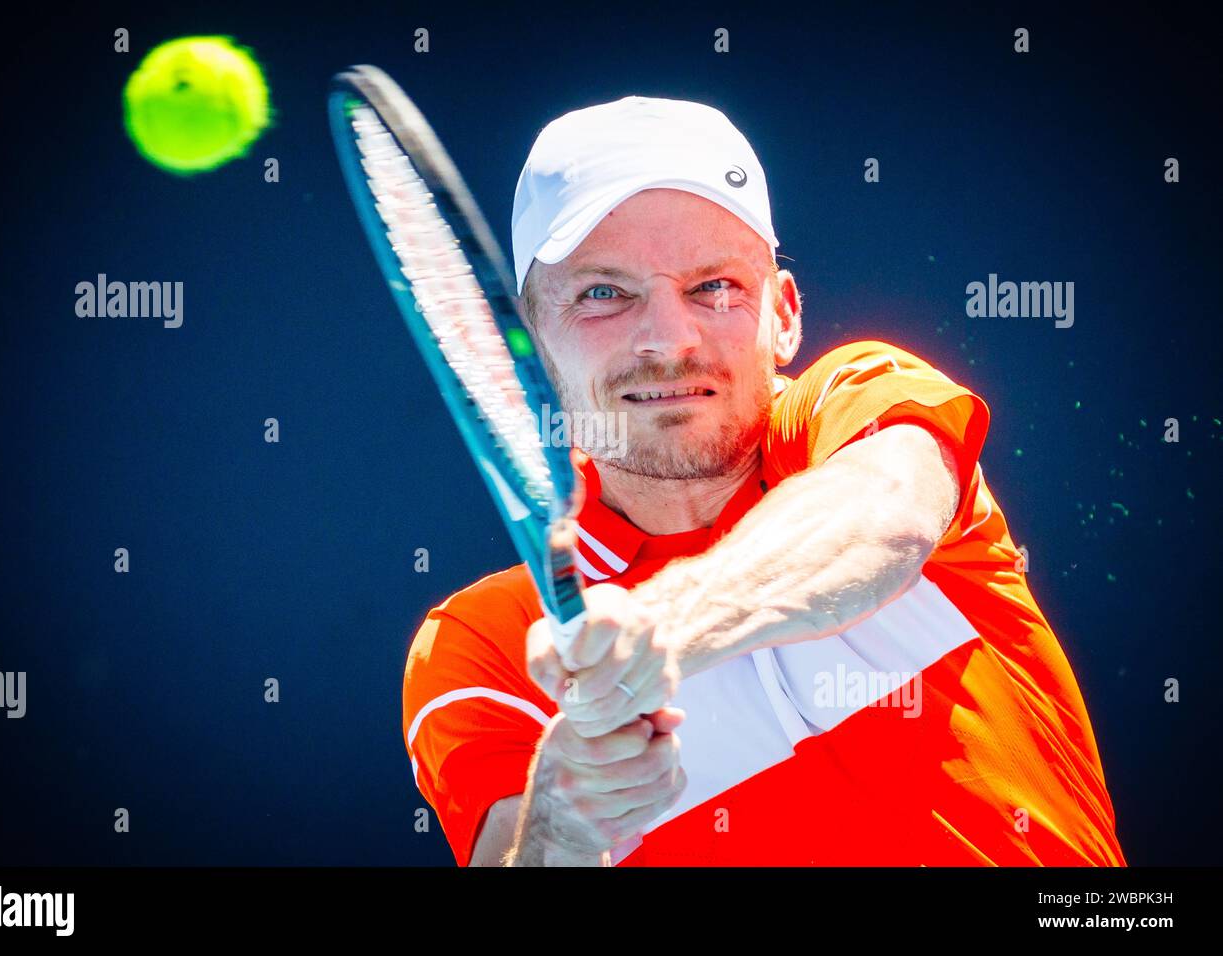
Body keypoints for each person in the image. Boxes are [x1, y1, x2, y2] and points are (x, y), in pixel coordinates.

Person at [402, 95, 1126, 867]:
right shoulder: (477, 645)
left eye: (714, 287)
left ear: (783, 315)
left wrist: (664, 629)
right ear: (531, 346)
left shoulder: (857, 398)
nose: (668, 339)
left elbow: (885, 514)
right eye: (603, 293)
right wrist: (562, 824)